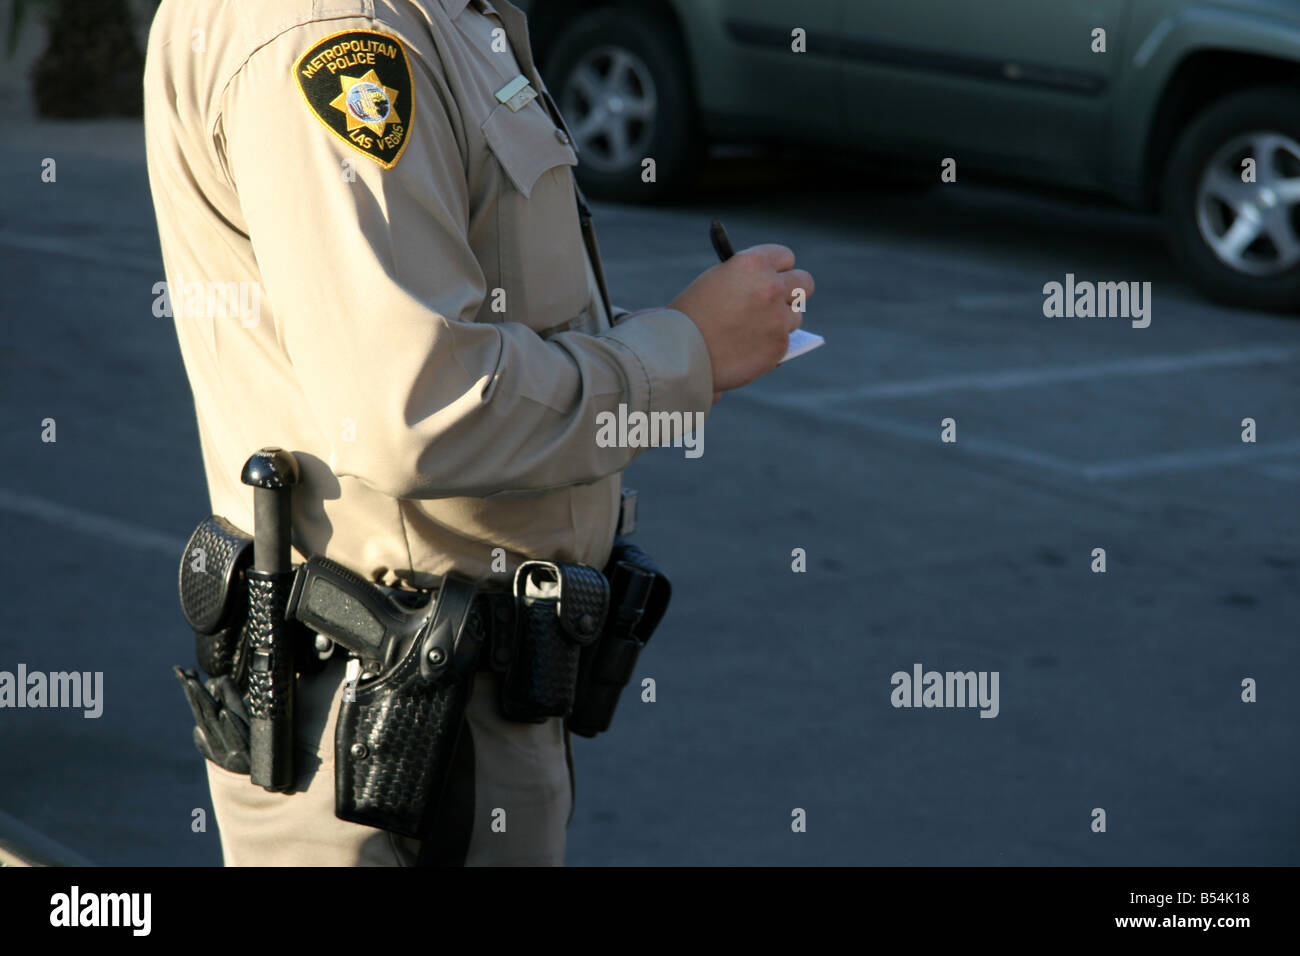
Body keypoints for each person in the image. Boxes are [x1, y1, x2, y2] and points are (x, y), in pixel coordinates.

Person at [144, 0, 813, 866]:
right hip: (395, 749)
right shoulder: (334, 30)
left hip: (456, 716)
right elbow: (417, 408)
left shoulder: (432, 14)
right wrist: (685, 353)